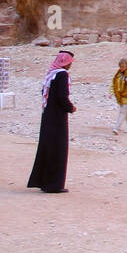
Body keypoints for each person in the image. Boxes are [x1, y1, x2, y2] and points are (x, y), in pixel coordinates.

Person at [27, 51, 76, 193]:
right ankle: (54, 184)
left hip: (48, 114)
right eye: (70, 62)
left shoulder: (51, 74)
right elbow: (62, 97)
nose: (71, 65)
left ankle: (44, 181)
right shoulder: (62, 75)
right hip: (57, 117)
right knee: (57, 149)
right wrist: (70, 108)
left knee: (47, 147)